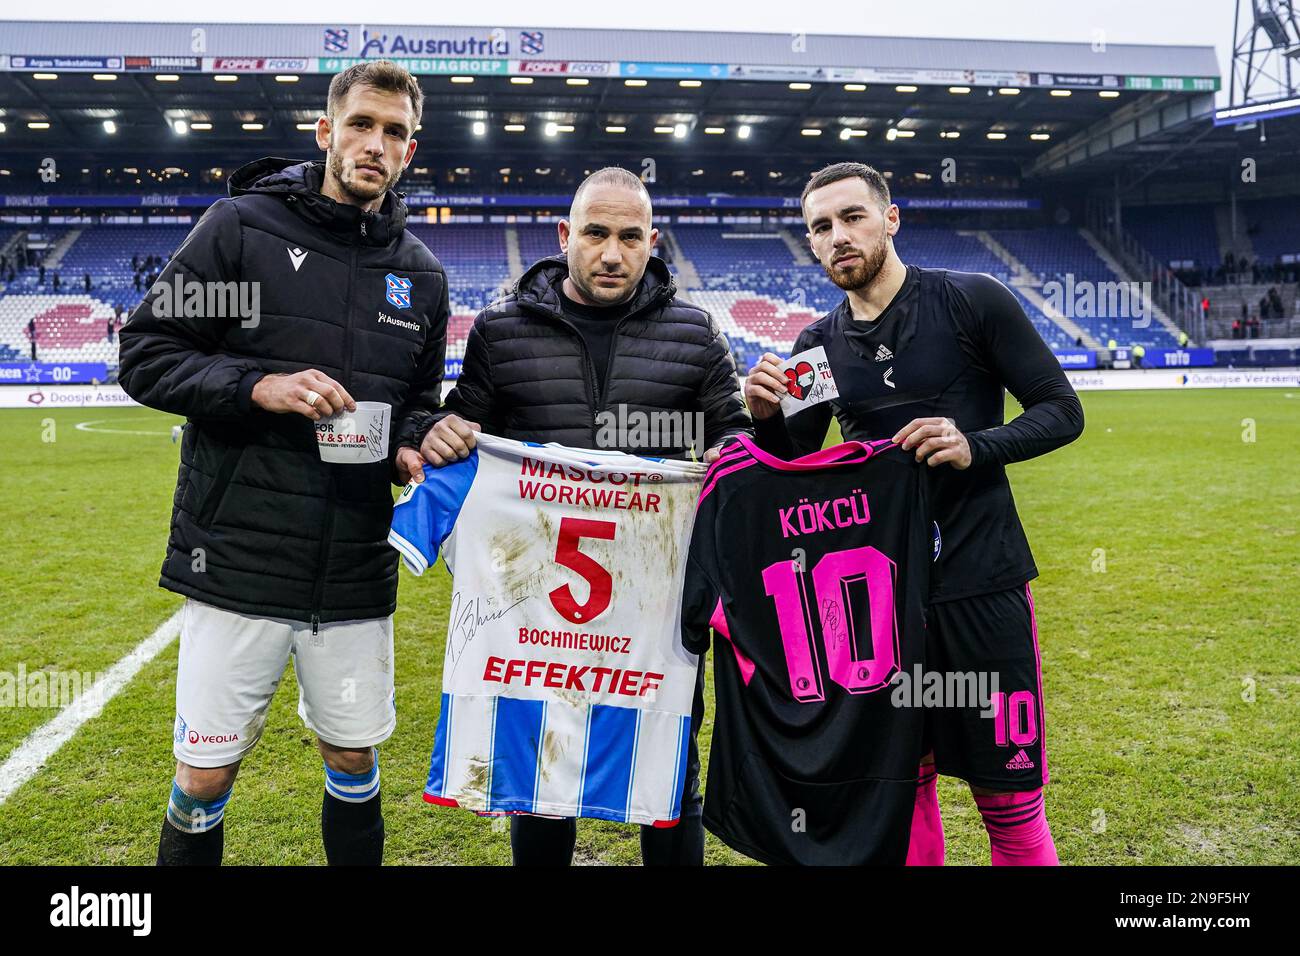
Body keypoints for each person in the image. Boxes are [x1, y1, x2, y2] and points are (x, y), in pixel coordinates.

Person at [118, 59, 449, 867]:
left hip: (352, 569)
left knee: (355, 761)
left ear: (412, 150)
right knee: (203, 774)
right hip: (237, 558)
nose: (377, 144)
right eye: (362, 124)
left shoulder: (422, 276)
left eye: (395, 133)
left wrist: (418, 437)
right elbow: (146, 354)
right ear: (326, 130)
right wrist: (256, 384)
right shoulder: (239, 228)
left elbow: (416, 402)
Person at [395, 166, 750, 866]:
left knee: (670, 778)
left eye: (628, 237)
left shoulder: (694, 332)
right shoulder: (502, 332)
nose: (611, 253)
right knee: (539, 781)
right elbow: (468, 431)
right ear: (565, 236)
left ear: (652, 242)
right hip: (535, 612)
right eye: (595, 233)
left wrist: (731, 453)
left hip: (655, 607)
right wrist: (435, 429)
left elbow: (733, 438)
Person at [745, 162, 1083, 866]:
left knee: (1012, 805)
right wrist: (766, 420)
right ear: (810, 244)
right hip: (875, 605)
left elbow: (1062, 410)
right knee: (904, 796)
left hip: (981, 586)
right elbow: (795, 468)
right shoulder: (816, 349)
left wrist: (975, 444)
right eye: (820, 227)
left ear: (890, 219)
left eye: (852, 217)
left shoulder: (973, 301)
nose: (838, 236)